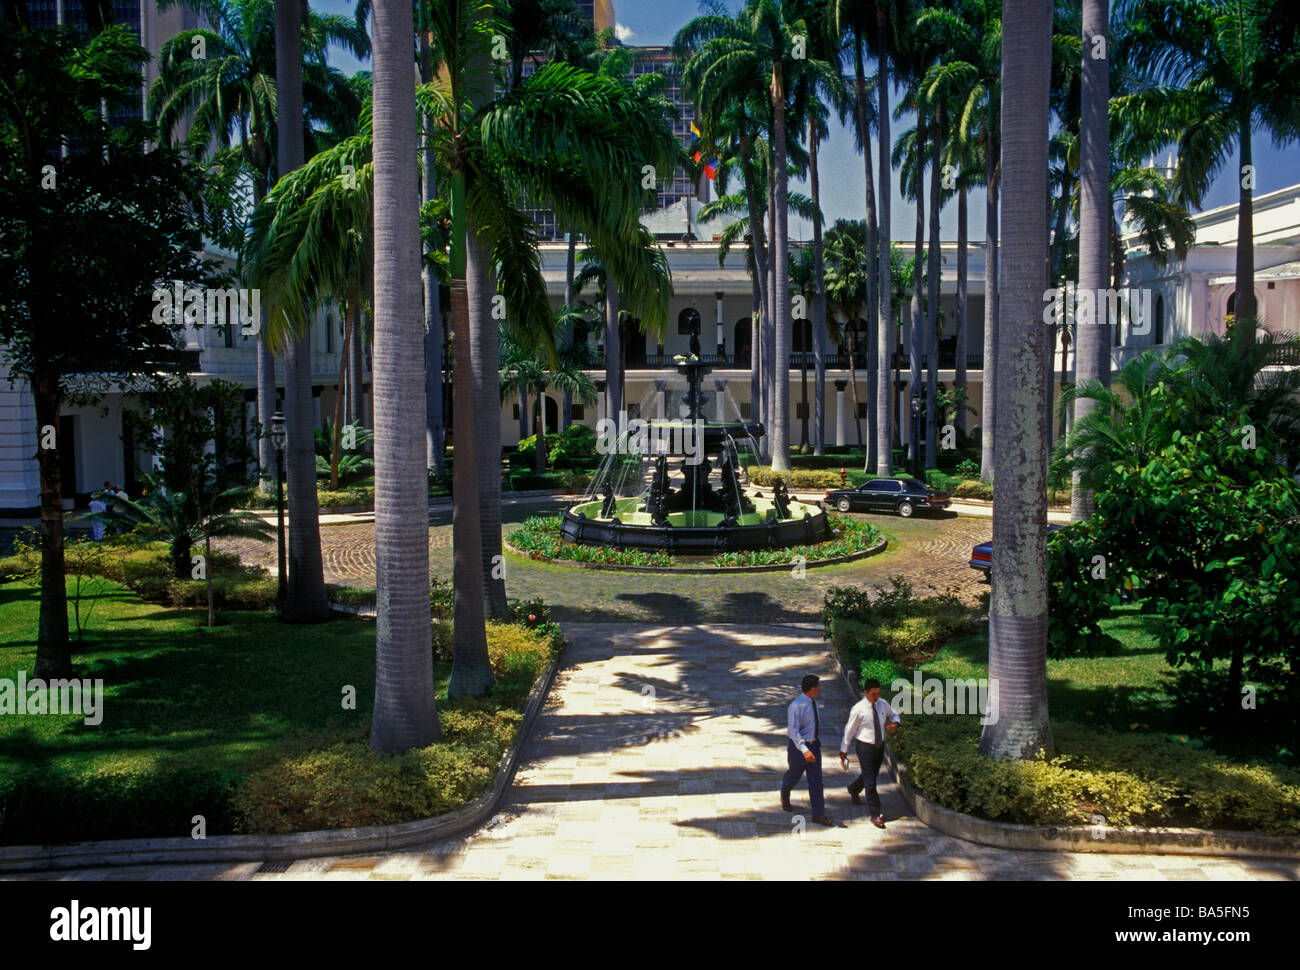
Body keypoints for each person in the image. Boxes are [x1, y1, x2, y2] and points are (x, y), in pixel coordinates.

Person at [839, 678, 901, 829]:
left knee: (871, 775)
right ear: (865, 693)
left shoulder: (883, 704)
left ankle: (853, 789)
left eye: (878, 693)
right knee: (870, 782)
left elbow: (894, 714)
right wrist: (843, 749)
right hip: (864, 747)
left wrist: (895, 723)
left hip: (879, 747)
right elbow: (849, 730)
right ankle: (875, 814)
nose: (876, 697)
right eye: (873, 694)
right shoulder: (858, 709)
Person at [780, 674, 837, 827]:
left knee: (816, 781)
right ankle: (785, 792)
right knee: (794, 775)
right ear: (812, 688)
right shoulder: (796, 706)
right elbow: (794, 731)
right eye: (818, 686)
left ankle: (818, 814)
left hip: (814, 746)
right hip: (799, 748)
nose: (820, 689)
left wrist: (813, 745)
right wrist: (805, 750)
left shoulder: (813, 702)